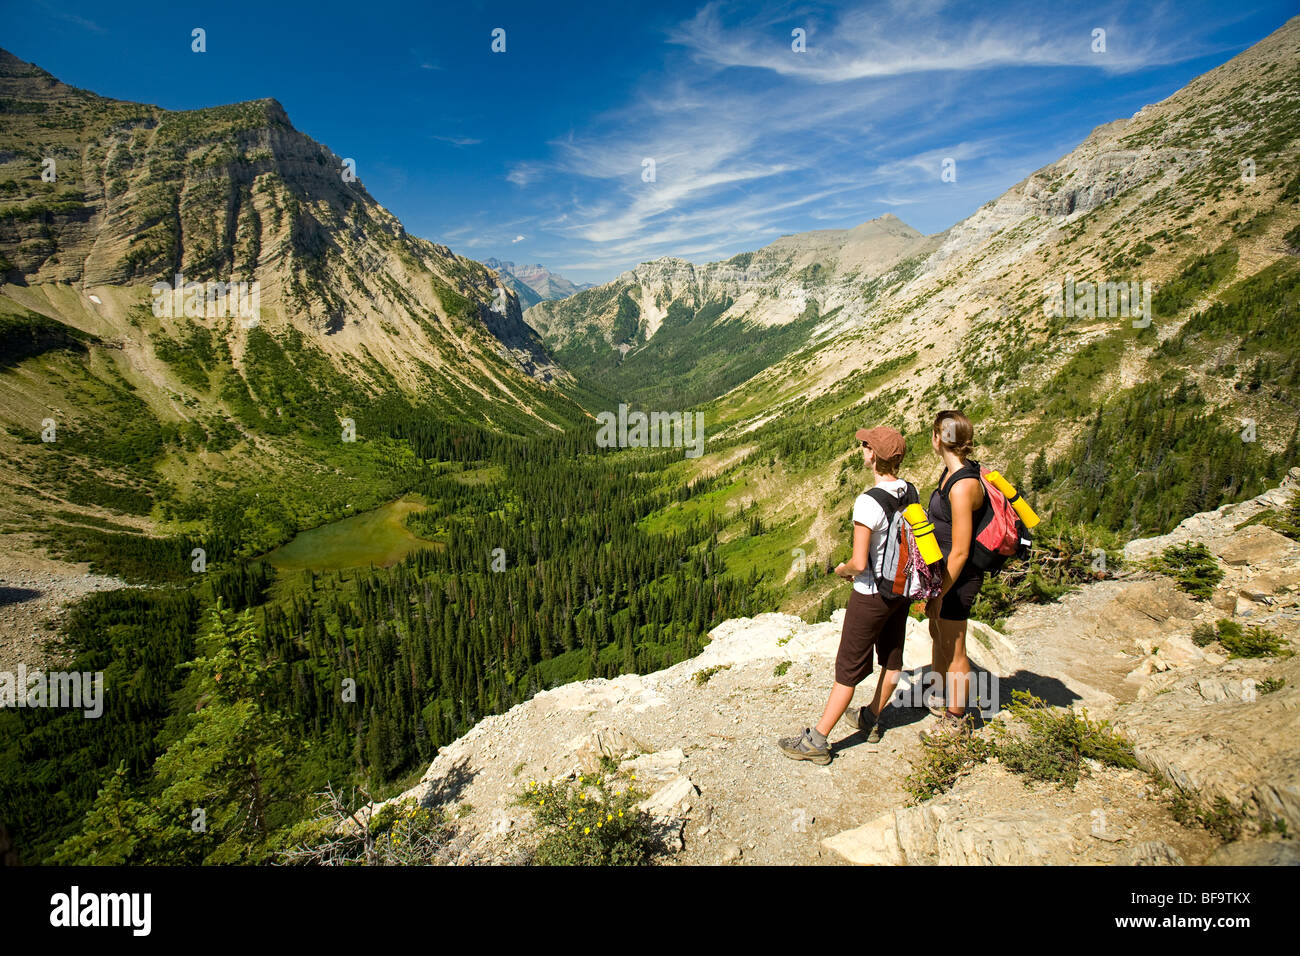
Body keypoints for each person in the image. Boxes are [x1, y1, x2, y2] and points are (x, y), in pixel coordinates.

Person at [779, 425, 916, 764]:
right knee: (892, 659)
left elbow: (859, 561)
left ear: (873, 456)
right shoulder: (909, 490)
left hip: (869, 594)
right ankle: (871, 719)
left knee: (848, 670)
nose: (862, 449)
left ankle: (818, 741)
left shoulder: (868, 502)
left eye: (865, 445)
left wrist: (842, 570)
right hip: (900, 589)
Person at [923, 410, 987, 737]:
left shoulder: (962, 486)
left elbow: (961, 550)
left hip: (957, 577)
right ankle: (937, 692)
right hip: (944, 571)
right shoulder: (952, 474)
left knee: (956, 646)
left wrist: (940, 590)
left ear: (939, 439)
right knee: (938, 633)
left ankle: (955, 719)